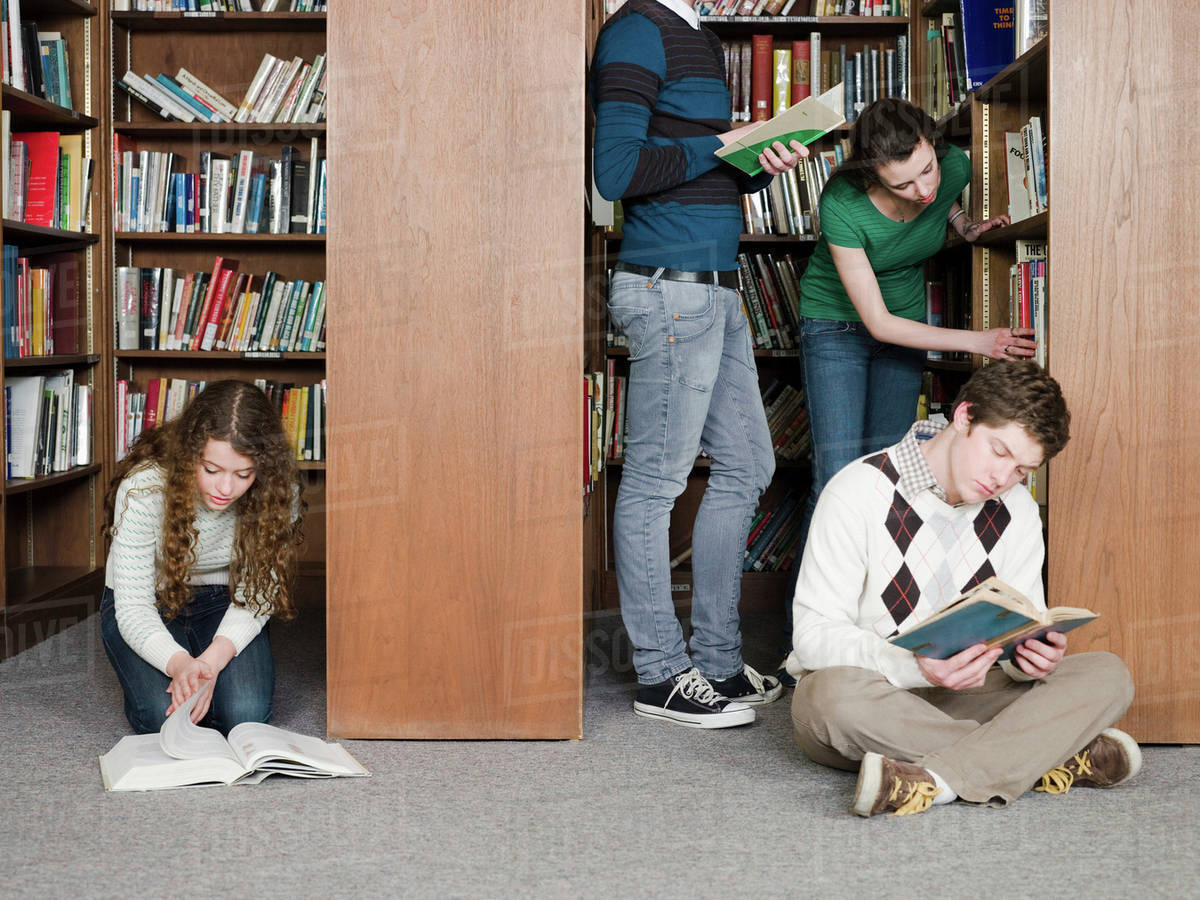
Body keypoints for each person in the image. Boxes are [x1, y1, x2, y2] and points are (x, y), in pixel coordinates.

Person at [786, 360, 1139, 815]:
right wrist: (914, 665)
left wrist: (1029, 662)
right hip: (877, 699)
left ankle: (935, 779)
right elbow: (813, 637)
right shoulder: (857, 491)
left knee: (1107, 673)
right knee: (823, 699)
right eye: (998, 451)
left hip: (976, 693)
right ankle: (1042, 755)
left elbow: (1017, 622)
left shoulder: (1018, 512)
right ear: (964, 416)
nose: (1002, 478)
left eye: (1021, 470)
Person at [590, 0, 808, 727]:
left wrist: (759, 163)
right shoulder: (636, 29)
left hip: (716, 287)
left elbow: (707, 164)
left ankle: (716, 659)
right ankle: (660, 675)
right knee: (656, 481)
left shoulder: (700, 38)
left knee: (749, 463)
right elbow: (617, 170)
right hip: (666, 288)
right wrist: (723, 143)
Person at [778, 97, 1034, 682]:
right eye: (903, 182)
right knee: (840, 475)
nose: (922, 189)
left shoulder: (956, 168)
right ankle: (811, 647)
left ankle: (889, 634)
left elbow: (944, 204)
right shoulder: (842, 203)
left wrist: (967, 226)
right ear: (872, 175)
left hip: (909, 326)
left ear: (932, 146)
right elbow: (876, 323)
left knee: (897, 471)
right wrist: (978, 342)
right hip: (839, 325)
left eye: (927, 170)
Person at [100, 380, 305, 735]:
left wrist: (210, 663)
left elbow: (259, 591)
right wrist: (180, 664)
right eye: (211, 470)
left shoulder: (278, 490)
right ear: (190, 453)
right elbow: (133, 606)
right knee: (161, 718)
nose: (226, 489)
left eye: (243, 474)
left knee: (245, 714)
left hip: (225, 598)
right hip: (151, 600)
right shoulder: (145, 486)